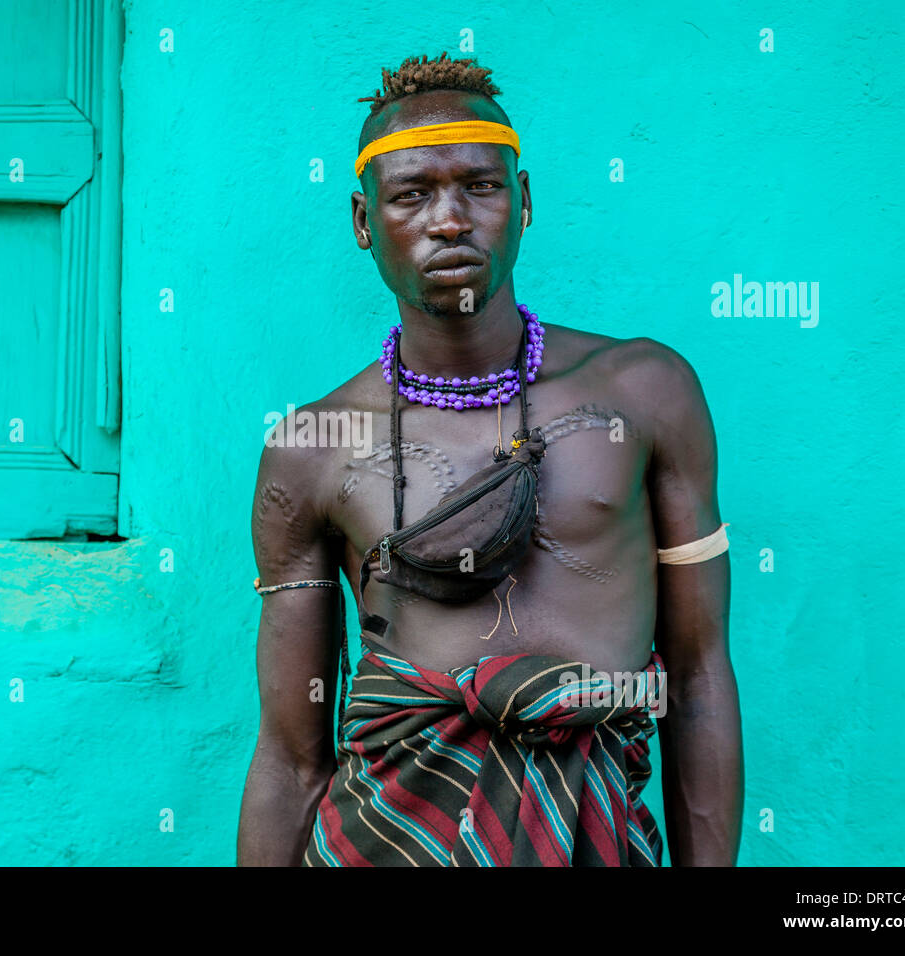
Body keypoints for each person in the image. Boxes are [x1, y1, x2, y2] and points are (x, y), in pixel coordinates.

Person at [237, 52, 743, 866]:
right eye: (412, 194)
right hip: (389, 842)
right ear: (363, 222)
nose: (450, 219)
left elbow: (699, 676)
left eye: (480, 185)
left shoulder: (647, 393)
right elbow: (292, 755)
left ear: (525, 200)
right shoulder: (309, 449)